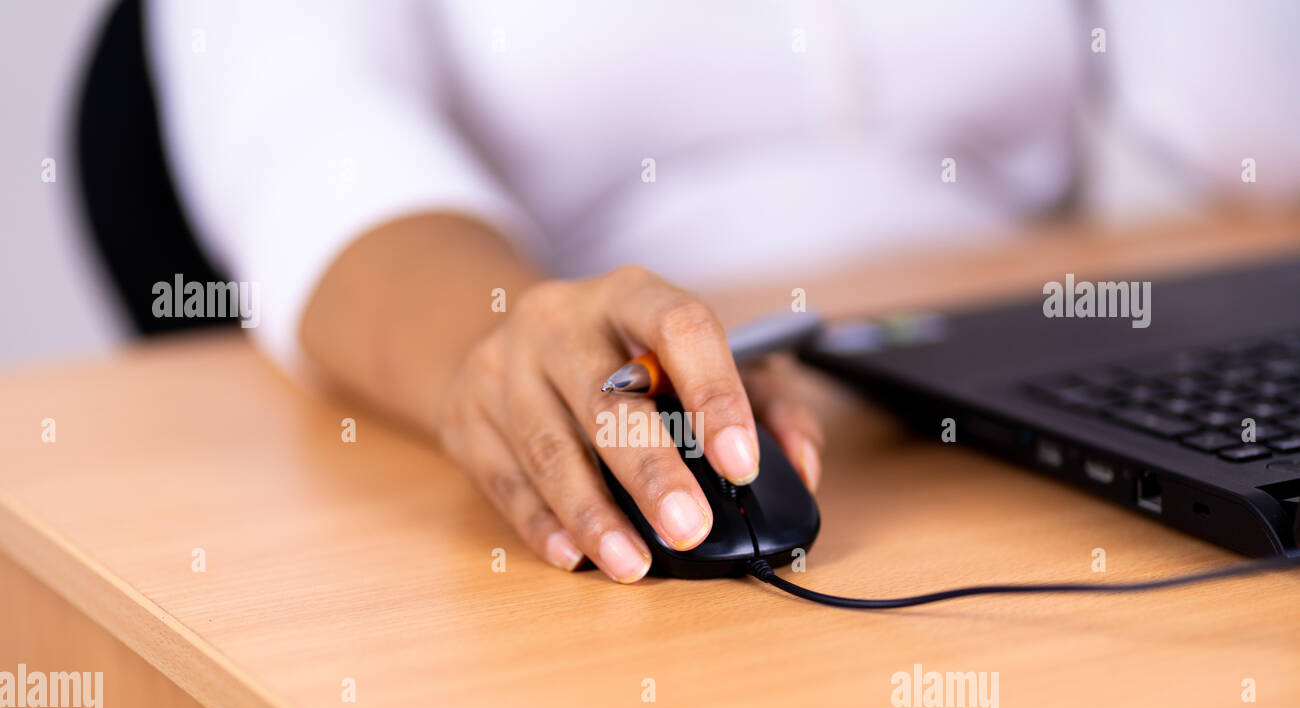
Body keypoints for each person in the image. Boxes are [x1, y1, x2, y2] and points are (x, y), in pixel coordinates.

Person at [146, 0, 1300, 583]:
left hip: (1020, 363)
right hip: (606, 346)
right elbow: (304, 142)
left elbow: (1254, 132)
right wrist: (501, 349)